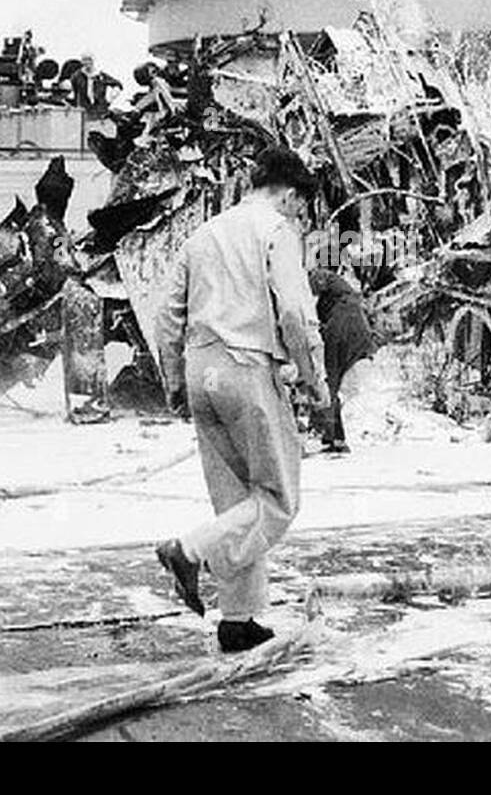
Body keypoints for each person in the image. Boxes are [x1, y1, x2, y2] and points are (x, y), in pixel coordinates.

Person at [154, 147, 330, 653]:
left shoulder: (202, 234)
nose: (299, 215)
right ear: (290, 193)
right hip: (249, 367)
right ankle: (189, 550)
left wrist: (173, 382)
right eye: (300, 205)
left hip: (199, 366)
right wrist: (315, 380)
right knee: (277, 499)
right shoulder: (277, 231)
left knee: (235, 501)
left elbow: (168, 316)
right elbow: (296, 314)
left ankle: (239, 619)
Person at [308, 265, 376, 454]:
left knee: (331, 383)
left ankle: (334, 436)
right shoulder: (341, 290)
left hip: (340, 329)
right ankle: (333, 436)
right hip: (355, 331)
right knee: (333, 385)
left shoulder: (321, 278)